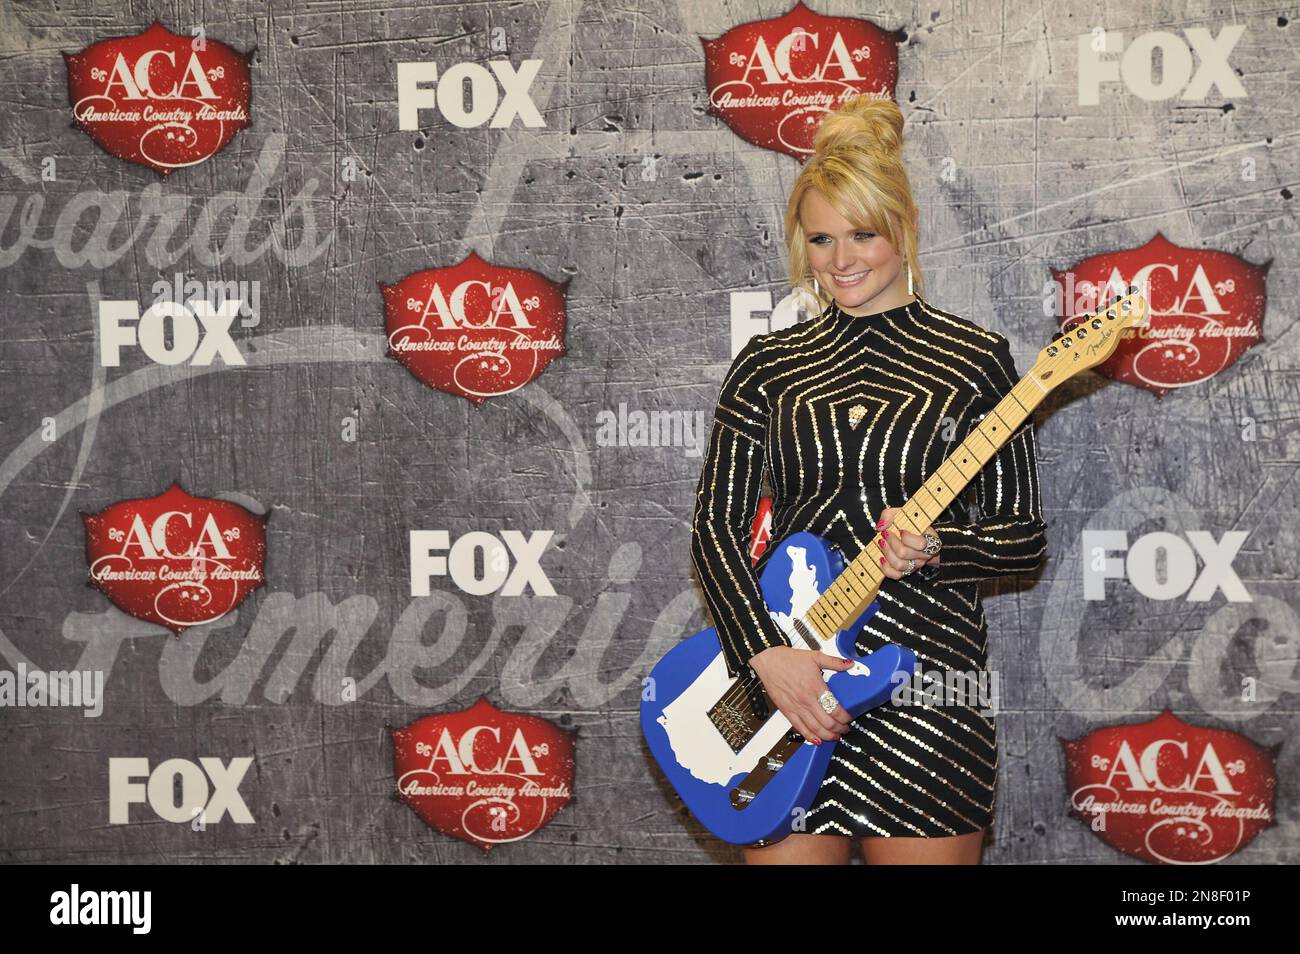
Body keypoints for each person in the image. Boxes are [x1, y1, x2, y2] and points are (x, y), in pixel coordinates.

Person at [688, 94, 1047, 865]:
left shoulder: (975, 359)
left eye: (862, 234)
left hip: (929, 695)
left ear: (904, 228)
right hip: (786, 688)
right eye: (820, 238)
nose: (841, 259)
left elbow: (1022, 538)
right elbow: (716, 528)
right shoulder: (767, 366)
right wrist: (765, 656)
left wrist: (939, 547)